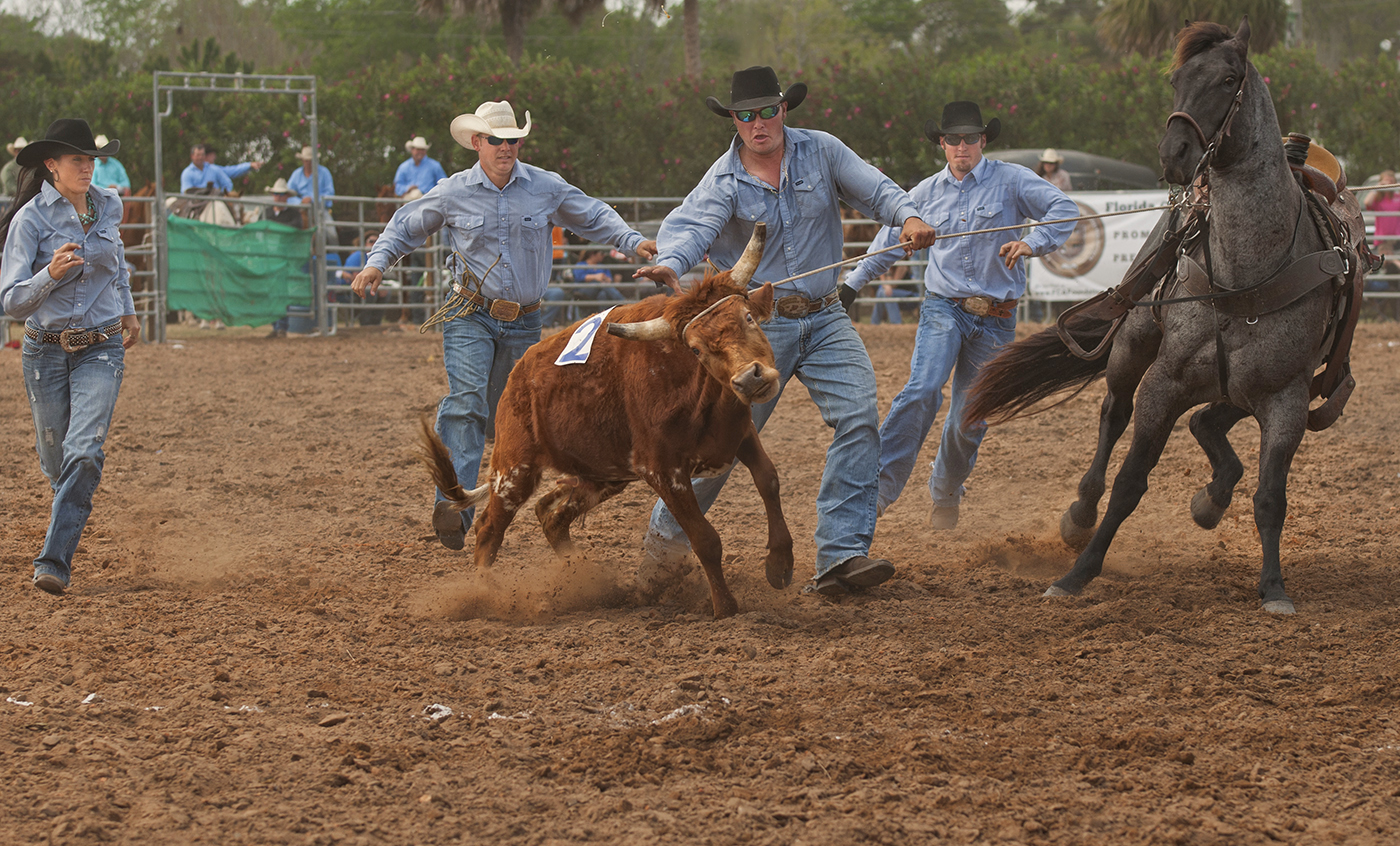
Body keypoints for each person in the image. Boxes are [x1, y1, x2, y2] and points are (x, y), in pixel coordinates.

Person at [632, 66, 937, 597]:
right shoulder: (723, 181)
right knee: (717, 449)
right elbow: (687, 229)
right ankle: (664, 544)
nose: (757, 123)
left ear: (784, 110)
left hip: (823, 314)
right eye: (745, 115)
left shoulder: (822, 151)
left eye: (766, 111)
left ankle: (841, 555)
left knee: (860, 415)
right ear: (733, 120)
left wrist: (907, 217)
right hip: (750, 327)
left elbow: (878, 190)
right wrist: (671, 265)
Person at [352, 100, 656, 550]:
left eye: (514, 139)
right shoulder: (453, 191)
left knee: (509, 418)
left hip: (524, 321)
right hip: (468, 314)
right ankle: (453, 504)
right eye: (497, 139)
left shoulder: (545, 187)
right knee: (468, 402)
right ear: (477, 142)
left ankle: (473, 493)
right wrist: (378, 262)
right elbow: (405, 227)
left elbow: (591, 214)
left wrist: (634, 242)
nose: (507, 147)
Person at [842, 101, 1078, 530]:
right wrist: (852, 285)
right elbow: (887, 243)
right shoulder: (923, 195)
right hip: (943, 308)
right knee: (923, 388)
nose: (962, 146)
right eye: (954, 139)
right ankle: (874, 494)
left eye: (971, 138)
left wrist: (1032, 242)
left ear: (983, 141)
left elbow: (1064, 210)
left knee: (971, 414)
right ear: (942, 144)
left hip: (997, 316)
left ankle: (946, 489)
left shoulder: (1013, 180)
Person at [0, 118, 141, 596]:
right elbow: (12, 302)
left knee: (84, 453)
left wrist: (129, 312)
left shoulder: (109, 206)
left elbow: (116, 263)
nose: (87, 167)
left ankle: (54, 561)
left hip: (101, 346)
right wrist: (50, 274)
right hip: (43, 350)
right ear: (51, 166)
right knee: (57, 460)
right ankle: (73, 498)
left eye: (91, 159)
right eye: (77, 159)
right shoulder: (31, 220)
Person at [288, 145, 337, 245]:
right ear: (302, 160)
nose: (308, 162)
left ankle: (334, 256)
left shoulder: (324, 173)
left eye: (310, 160)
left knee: (332, 235)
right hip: (300, 210)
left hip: (320, 210)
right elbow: (288, 194)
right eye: (306, 160)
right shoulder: (296, 174)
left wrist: (313, 200)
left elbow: (330, 193)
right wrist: (300, 202)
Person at [394, 136, 447, 200]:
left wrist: (432, 193)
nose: (420, 152)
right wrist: (408, 188)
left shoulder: (435, 166)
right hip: (408, 203)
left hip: (428, 201)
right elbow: (397, 186)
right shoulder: (403, 167)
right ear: (412, 150)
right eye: (418, 149)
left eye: (423, 150)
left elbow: (444, 185)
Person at [4, 136, 29, 200]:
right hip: (10, 202)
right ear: (15, 151)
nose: (21, 152)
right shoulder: (8, 169)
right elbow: (10, 188)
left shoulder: (30, 167)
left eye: (23, 150)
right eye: (19, 150)